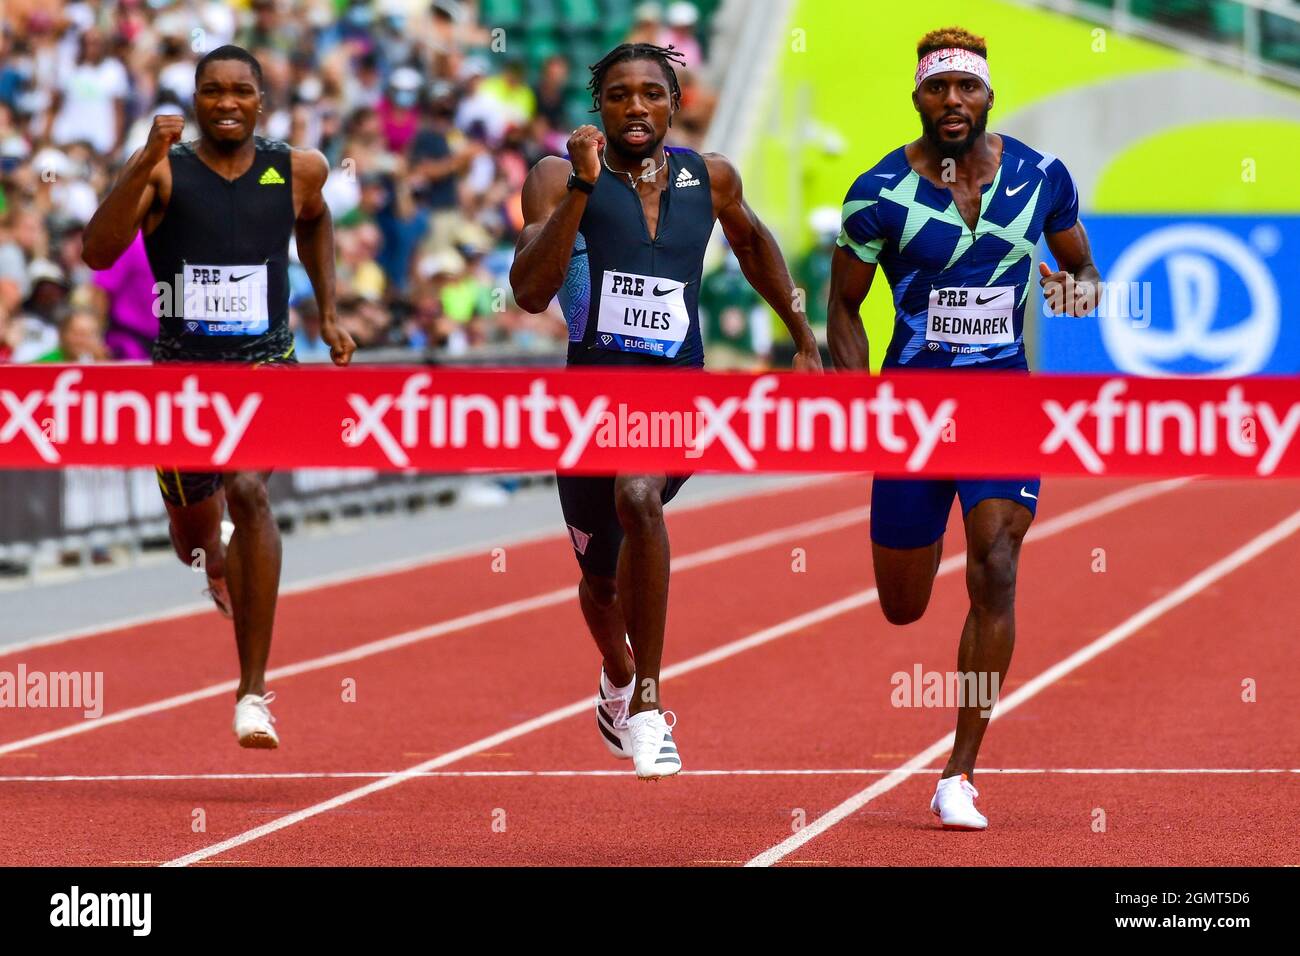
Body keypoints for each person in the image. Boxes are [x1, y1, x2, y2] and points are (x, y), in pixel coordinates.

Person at [511, 43, 821, 779]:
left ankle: (649, 702)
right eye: (620, 96)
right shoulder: (557, 177)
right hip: (588, 400)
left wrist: (801, 335)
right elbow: (528, 288)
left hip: (678, 390)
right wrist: (584, 192)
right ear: (600, 107)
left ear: (674, 104)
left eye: (652, 93)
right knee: (598, 580)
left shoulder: (708, 178)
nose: (637, 108)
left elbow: (752, 242)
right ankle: (617, 680)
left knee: (639, 494)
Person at [827, 27, 1100, 829]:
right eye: (937, 90)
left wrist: (1076, 293)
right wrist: (854, 396)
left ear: (988, 95)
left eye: (967, 89)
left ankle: (959, 773)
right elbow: (843, 304)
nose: (953, 102)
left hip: (1001, 404)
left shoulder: (1041, 178)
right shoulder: (877, 193)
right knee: (903, 606)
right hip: (912, 414)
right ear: (917, 97)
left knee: (998, 564)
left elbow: (1081, 270)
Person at [81, 45, 355, 749]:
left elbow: (316, 218)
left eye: (240, 92)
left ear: (261, 100)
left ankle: (253, 691)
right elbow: (98, 252)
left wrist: (328, 310)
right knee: (192, 540)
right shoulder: (166, 173)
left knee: (249, 490)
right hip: (182, 379)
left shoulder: (297, 168)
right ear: (195, 99)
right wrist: (143, 159)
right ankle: (216, 561)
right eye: (212, 92)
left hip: (267, 366)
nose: (226, 103)